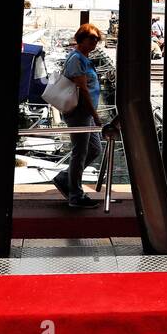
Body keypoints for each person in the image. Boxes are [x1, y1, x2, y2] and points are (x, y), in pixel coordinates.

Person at [53, 23, 103, 209]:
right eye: (91, 37)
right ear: (81, 38)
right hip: (80, 113)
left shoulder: (85, 58)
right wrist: (95, 115)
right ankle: (75, 195)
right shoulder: (76, 59)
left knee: (94, 149)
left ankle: (66, 178)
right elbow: (83, 90)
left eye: (97, 38)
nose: (95, 41)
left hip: (86, 114)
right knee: (79, 153)